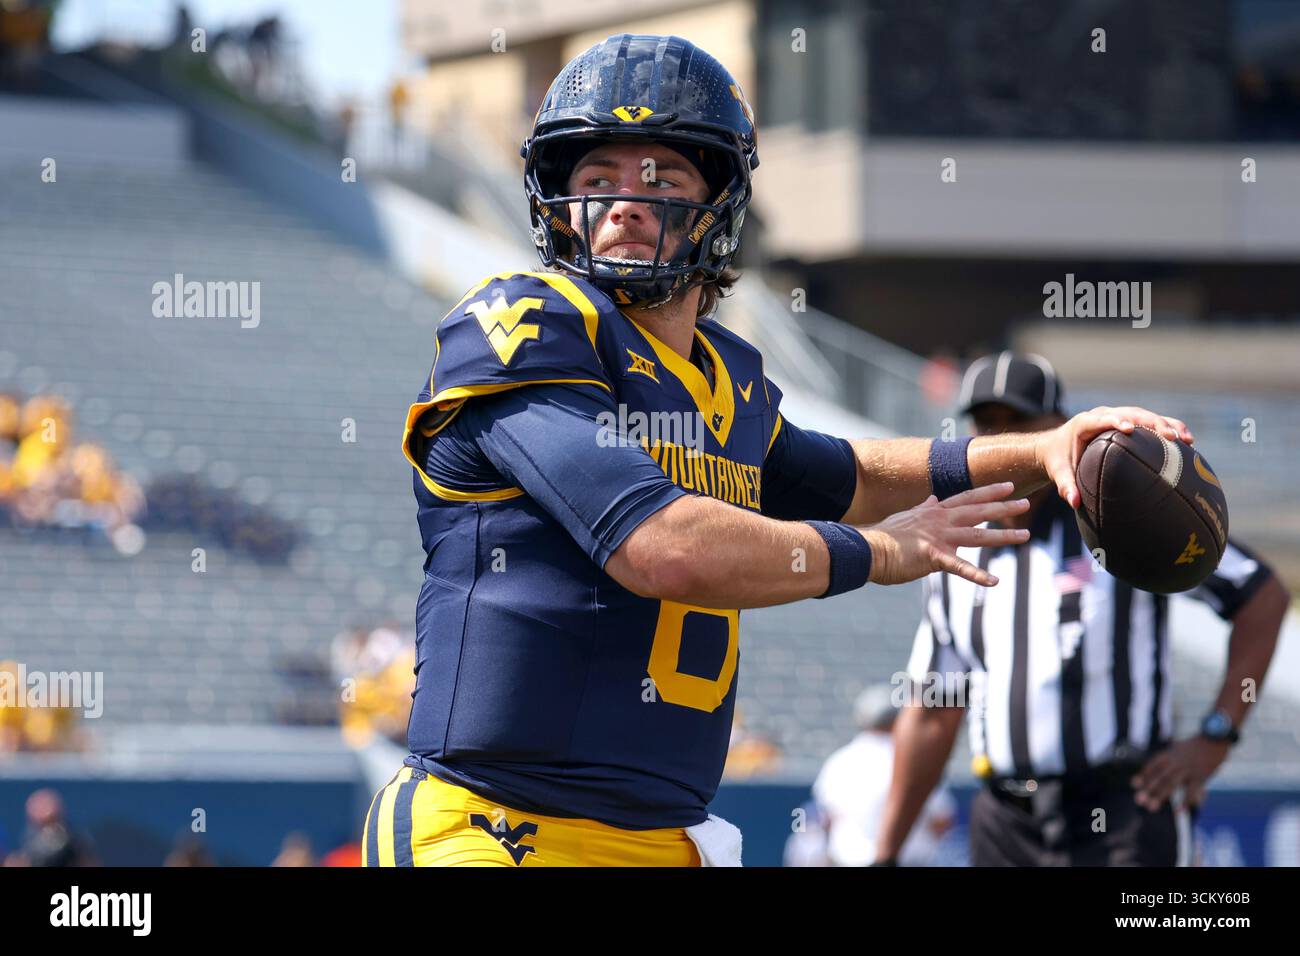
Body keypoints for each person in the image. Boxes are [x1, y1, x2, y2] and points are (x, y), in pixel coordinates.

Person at [365, 35, 1193, 867]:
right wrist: (877, 554)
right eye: (596, 178)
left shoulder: (728, 376)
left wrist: (1044, 448)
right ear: (554, 201)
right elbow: (661, 547)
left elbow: (854, 475)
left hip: (667, 840)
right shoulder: (526, 324)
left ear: (719, 203)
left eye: (660, 178)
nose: (624, 201)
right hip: (491, 828)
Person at [874, 352, 1290, 866]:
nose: (1003, 438)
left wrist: (1216, 736)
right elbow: (936, 709)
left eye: (1019, 421)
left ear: (1057, 427)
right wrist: (885, 852)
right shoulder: (955, 545)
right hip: (1006, 823)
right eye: (987, 424)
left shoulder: (1119, 516)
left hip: (1123, 814)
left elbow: (1261, 593)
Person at [814, 685, 955, 866]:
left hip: (850, 861)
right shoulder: (915, 759)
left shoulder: (839, 761)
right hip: (907, 861)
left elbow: (827, 819)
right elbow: (941, 821)